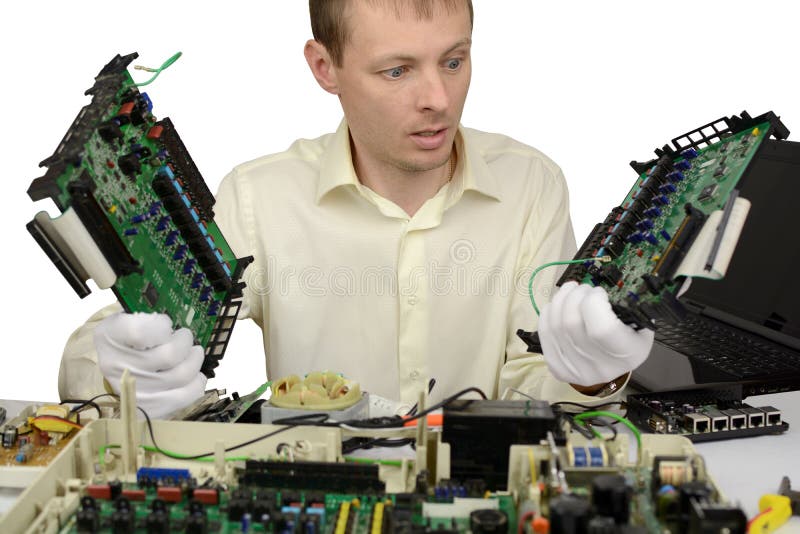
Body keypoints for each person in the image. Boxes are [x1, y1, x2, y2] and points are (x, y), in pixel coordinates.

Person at [59, 0, 653, 419]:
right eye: (397, 70)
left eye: (453, 61)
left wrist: (592, 374)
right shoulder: (261, 197)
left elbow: (542, 390)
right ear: (325, 68)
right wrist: (121, 370)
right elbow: (114, 347)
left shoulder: (532, 185)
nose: (438, 100)